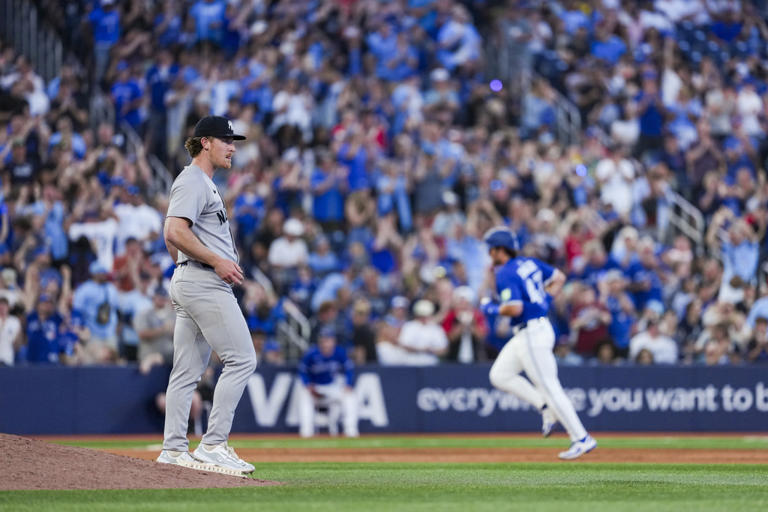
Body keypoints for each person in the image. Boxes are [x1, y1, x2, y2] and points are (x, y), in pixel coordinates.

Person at [156, 116, 257, 475]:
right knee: (242, 359)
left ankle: (172, 449)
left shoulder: (201, 183)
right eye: (226, 140)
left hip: (192, 278)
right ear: (205, 143)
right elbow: (173, 230)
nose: (232, 148)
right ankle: (213, 444)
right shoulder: (193, 180)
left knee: (186, 371)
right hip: (204, 282)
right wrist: (212, 262)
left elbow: (172, 235)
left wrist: (186, 267)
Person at [480, 227, 597, 460]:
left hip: (532, 333)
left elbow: (515, 308)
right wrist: (543, 299)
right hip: (531, 331)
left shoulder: (505, 272)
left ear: (500, 249)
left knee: (551, 387)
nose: (489, 253)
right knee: (500, 375)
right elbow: (559, 278)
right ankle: (544, 407)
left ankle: (581, 438)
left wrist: (489, 308)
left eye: (491, 248)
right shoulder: (528, 262)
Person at [297, 326, 359, 438]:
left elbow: (349, 369)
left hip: (332, 388)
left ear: (333, 341)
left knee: (350, 396)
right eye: (324, 340)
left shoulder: (339, 352)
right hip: (316, 388)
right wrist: (307, 384)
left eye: (328, 340)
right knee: (304, 395)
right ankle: (306, 431)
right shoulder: (311, 353)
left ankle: (350, 430)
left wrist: (348, 384)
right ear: (319, 341)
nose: (326, 343)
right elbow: (302, 371)